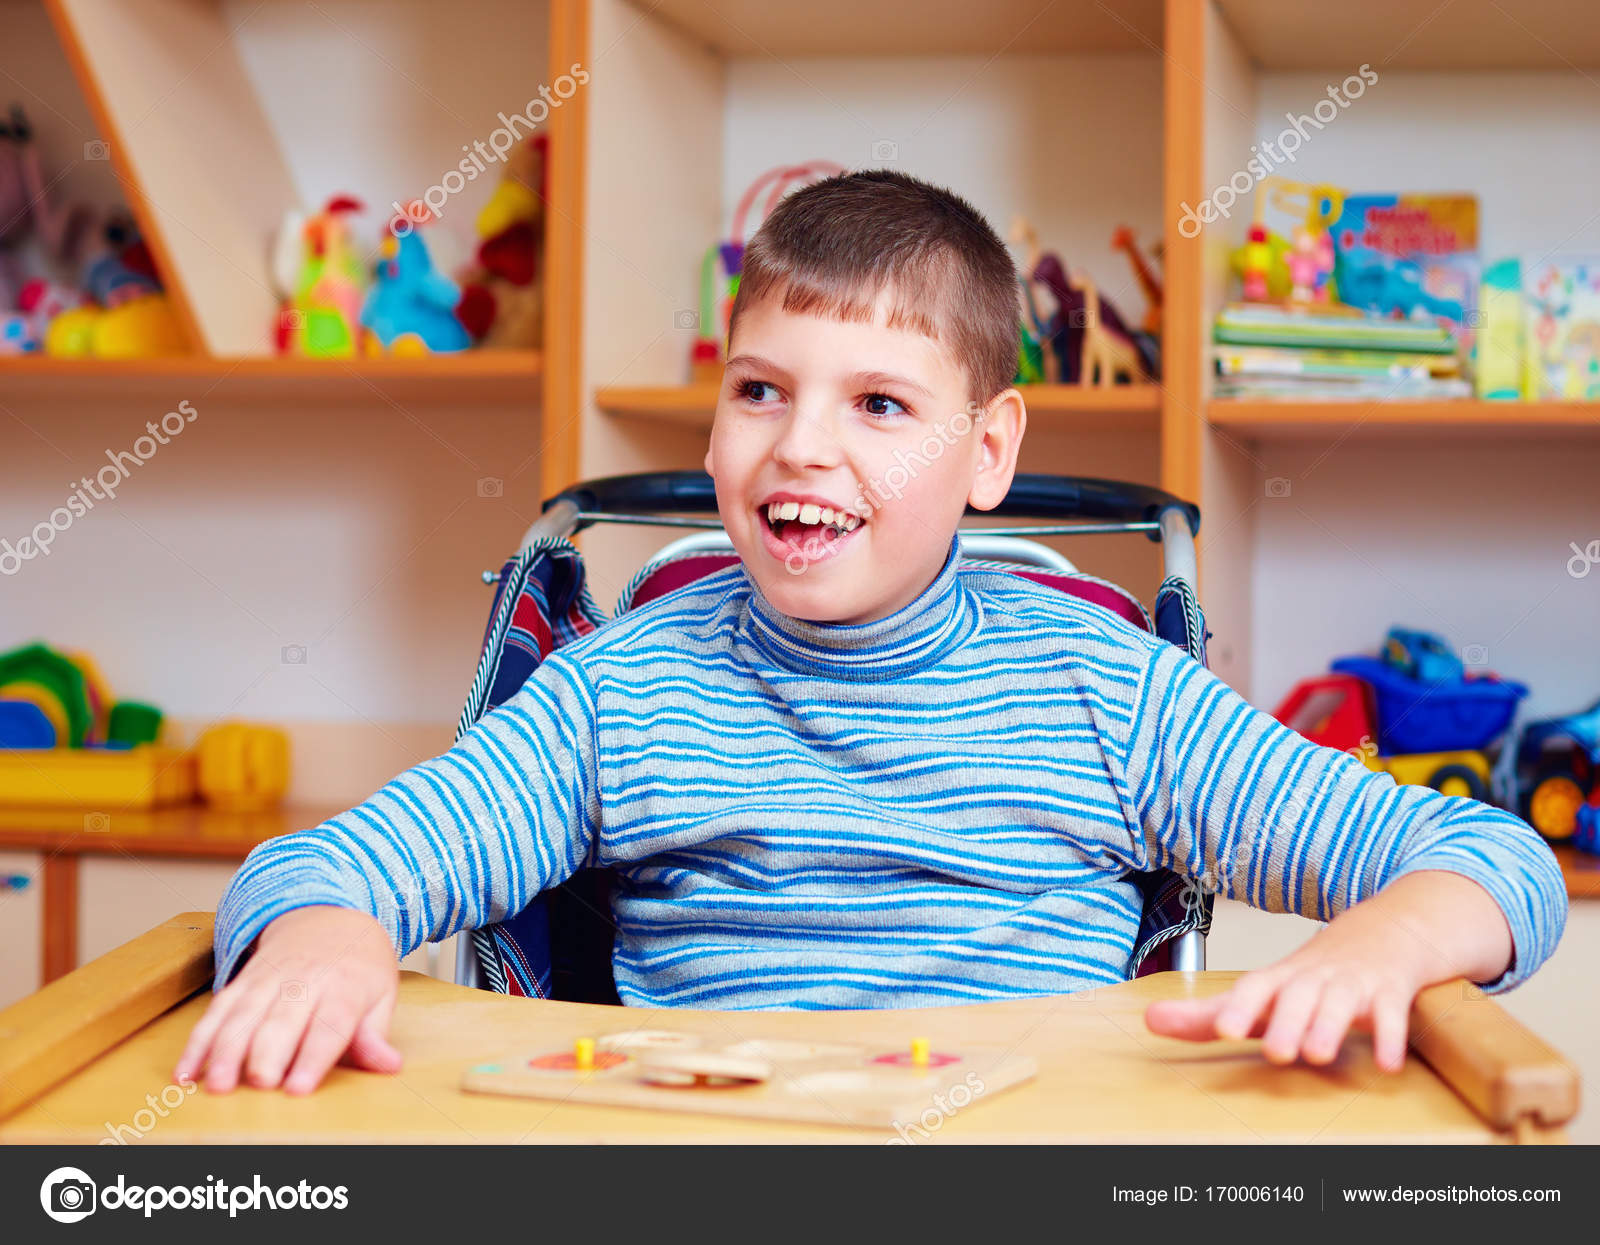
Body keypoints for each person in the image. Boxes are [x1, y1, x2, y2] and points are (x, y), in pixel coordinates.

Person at [176, 170, 1565, 1096]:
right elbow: (335, 858)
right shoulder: (623, 695)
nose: (802, 450)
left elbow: (1495, 856)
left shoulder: (1105, 692)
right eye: (762, 390)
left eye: (881, 406)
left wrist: (1373, 946)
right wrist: (325, 934)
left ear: (988, 447)